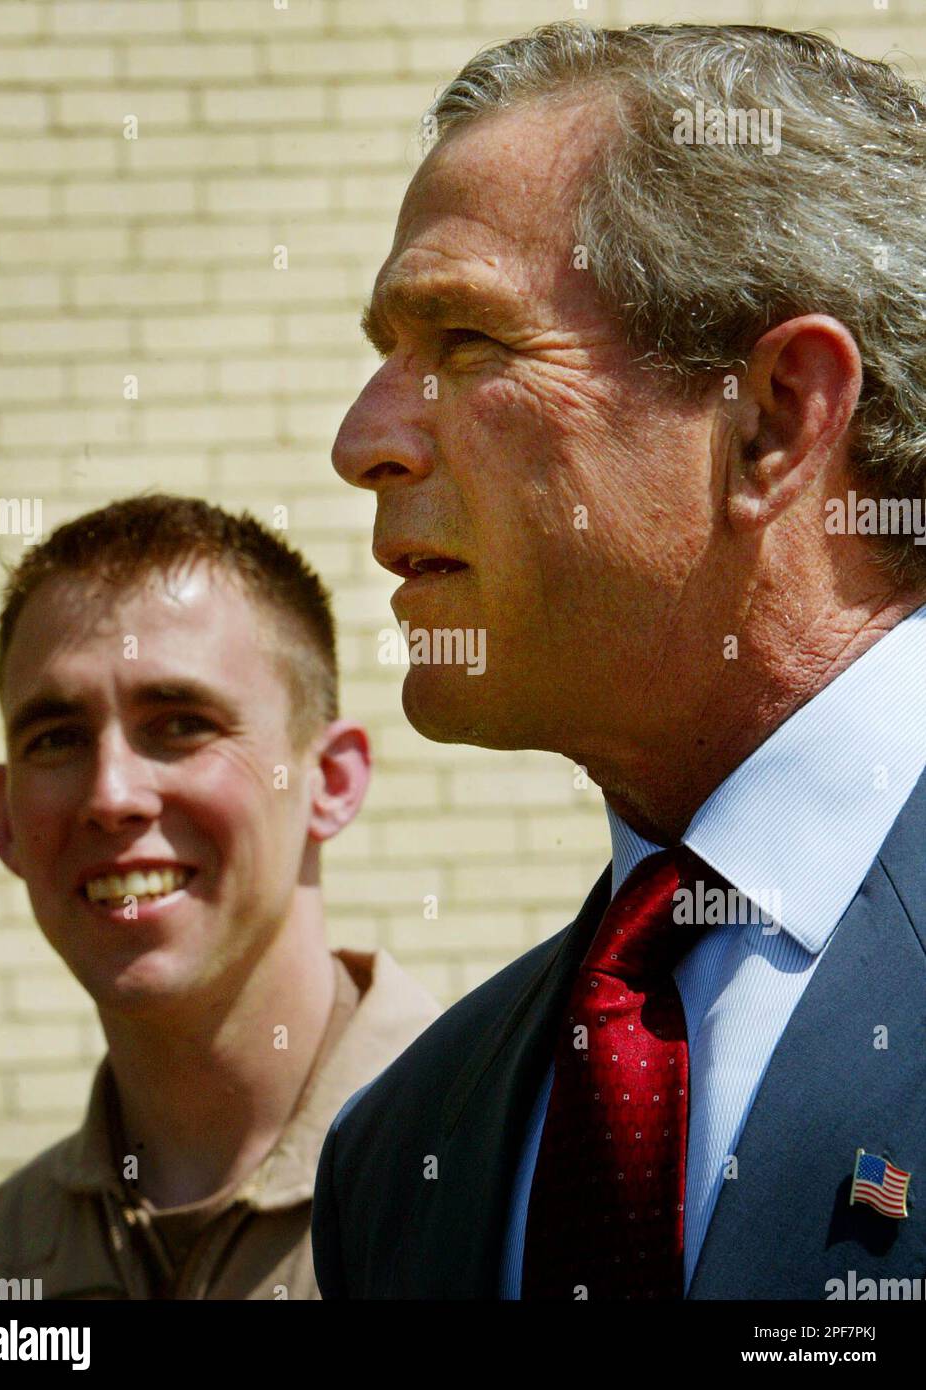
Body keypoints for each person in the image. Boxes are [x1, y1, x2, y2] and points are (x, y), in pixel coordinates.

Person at [313, 22, 926, 1299]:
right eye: (384, 357)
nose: (364, 438)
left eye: (467, 344)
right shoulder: (400, 1153)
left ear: (773, 420)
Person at [0, 494, 440, 1299]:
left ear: (331, 782)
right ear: (4, 822)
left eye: (180, 724)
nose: (111, 795)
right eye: (58, 738)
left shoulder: (517, 1182)